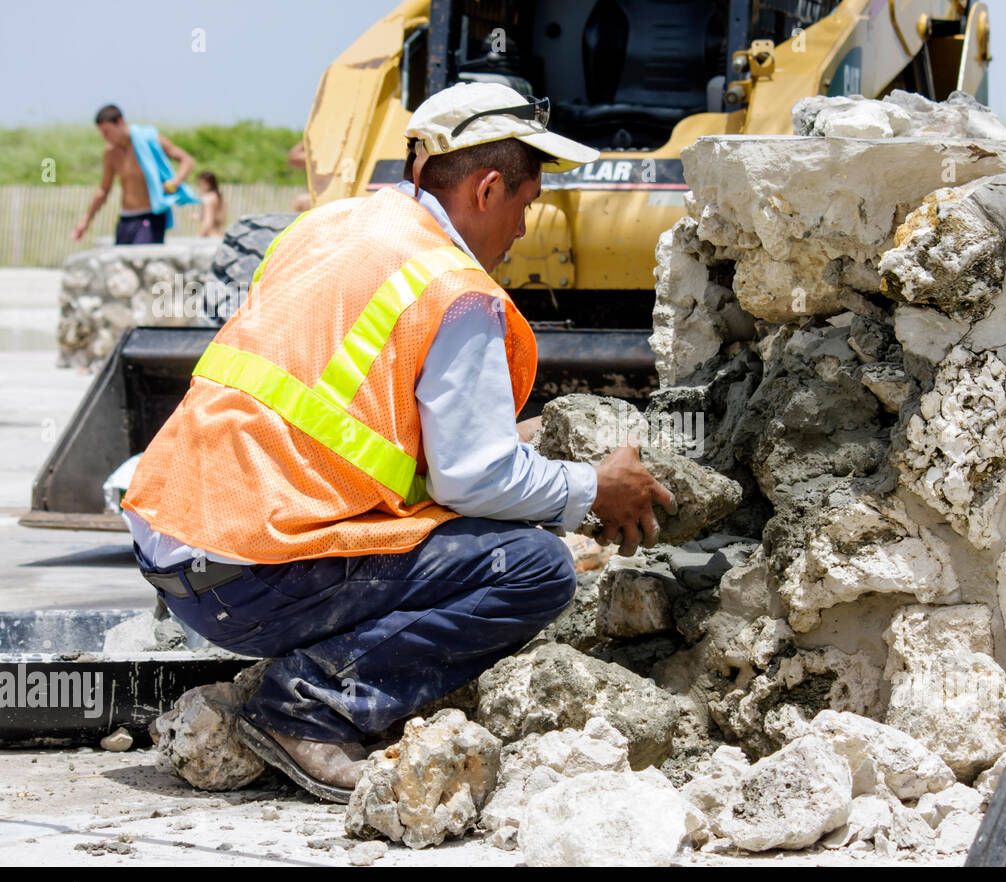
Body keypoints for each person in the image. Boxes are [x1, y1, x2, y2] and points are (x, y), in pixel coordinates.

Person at [120, 83, 672, 802]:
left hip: (178, 550)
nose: (525, 227)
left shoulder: (334, 228)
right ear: (489, 186)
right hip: (247, 576)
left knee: (472, 527)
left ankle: (313, 679)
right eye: (526, 203)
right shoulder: (454, 288)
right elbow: (472, 483)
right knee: (532, 567)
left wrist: (529, 444)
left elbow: (348, 422)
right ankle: (308, 705)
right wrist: (594, 488)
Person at [71, 105, 198, 245]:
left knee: (141, 262)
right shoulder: (111, 153)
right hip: (126, 218)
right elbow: (103, 190)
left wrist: (173, 184)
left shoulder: (150, 140)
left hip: (151, 216)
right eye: (102, 133)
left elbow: (187, 160)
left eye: (107, 131)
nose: (105, 137)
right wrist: (85, 222)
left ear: (119, 122)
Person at [193, 170, 226, 237]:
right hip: (219, 235)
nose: (200, 187)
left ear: (208, 184)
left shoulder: (208, 199)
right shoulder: (220, 198)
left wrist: (198, 236)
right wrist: (200, 216)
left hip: (209, 236)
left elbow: (208, 222)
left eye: (200, 184)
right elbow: (216, 216)